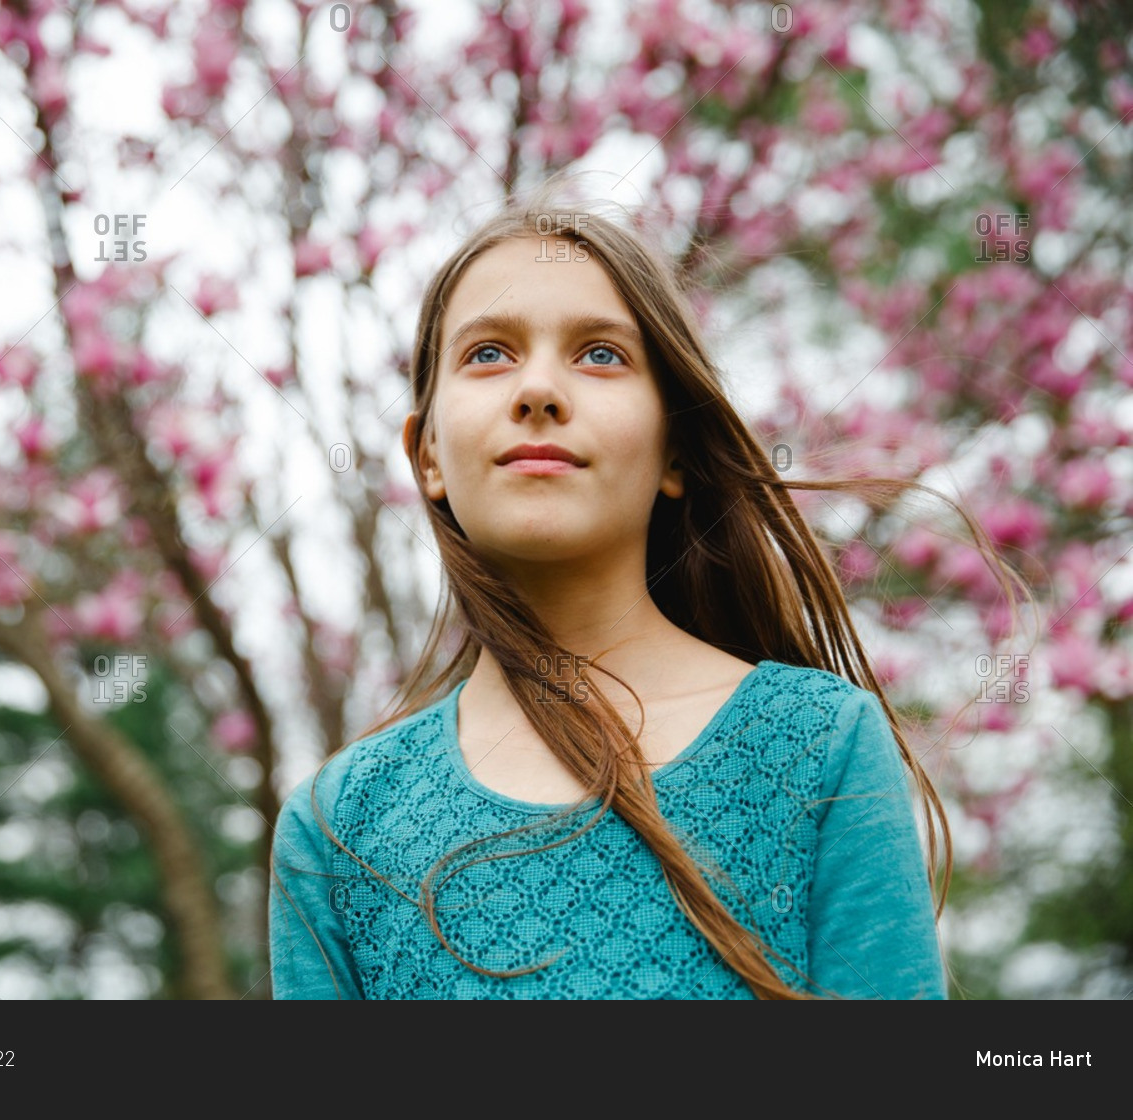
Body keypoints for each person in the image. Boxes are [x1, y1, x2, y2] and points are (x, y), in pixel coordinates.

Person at [267, 177, 1031, 1000]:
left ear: (673, 450)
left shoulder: (817, 748)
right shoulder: (339, 828)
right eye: (488, 353)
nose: (538, 390)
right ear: (426, 456)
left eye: (601, 354)